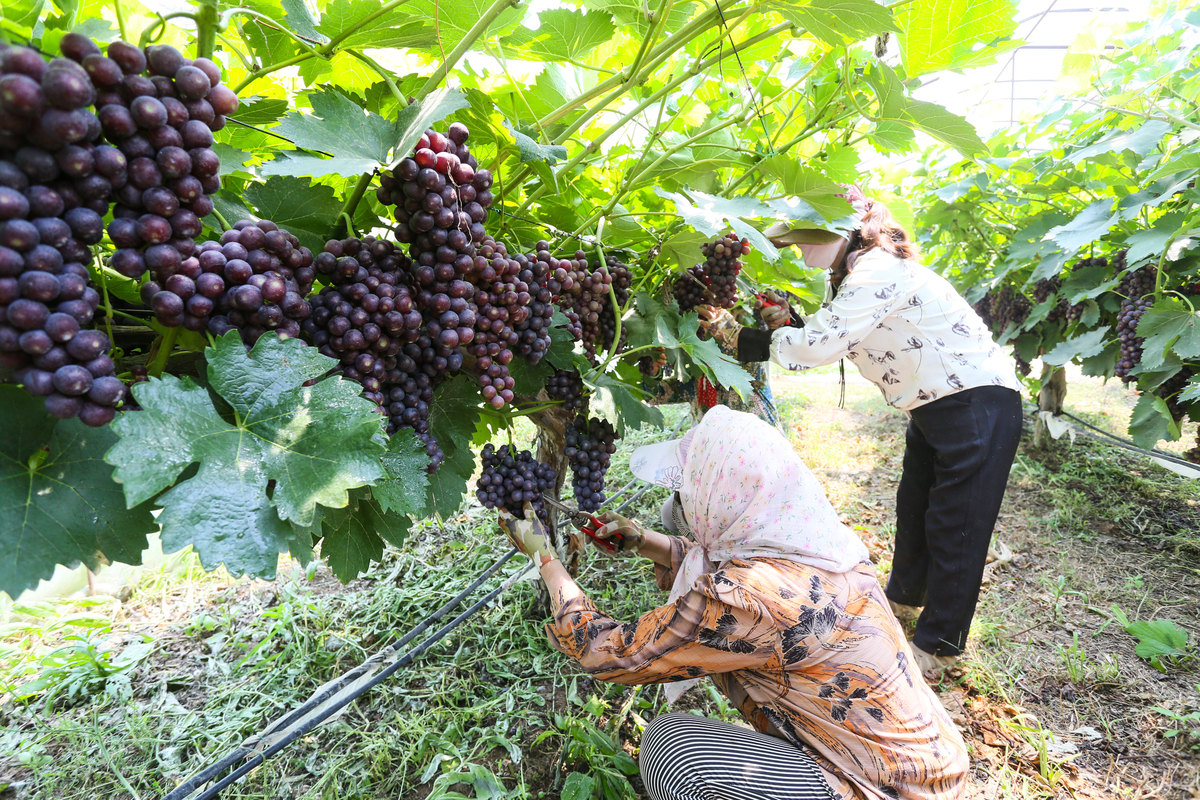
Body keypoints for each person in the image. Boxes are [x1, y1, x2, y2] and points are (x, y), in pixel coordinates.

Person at [499, 405, 968, 800]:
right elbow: (729, 570)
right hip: (923, 765)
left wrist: (545, 556)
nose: (683, 498)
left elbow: (611, 654)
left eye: (689, 488)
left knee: (674, 751)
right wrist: (644, 542)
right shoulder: (819, 544)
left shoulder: (745, 600)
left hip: (879, 789)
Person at [698, 186, 1022, 674]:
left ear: (842, 230)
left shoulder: (877, 269)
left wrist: (735, 334)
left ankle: (939, 645)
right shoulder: (852, 273)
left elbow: (816, 346)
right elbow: (838, 334)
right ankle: (905, 599)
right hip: (936, 405)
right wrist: (791, 323)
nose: (798, 247)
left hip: (977, 403)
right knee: (916, 505)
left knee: (958, 524)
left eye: (805, 236)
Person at [641, 292, 792, 430]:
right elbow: (654, 395)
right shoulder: (694, 381)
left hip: (761, 450)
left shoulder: (745, 365)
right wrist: (651, 371)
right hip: (717, 455)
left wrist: (728, 331)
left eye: (704, 324)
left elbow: (746, 347)